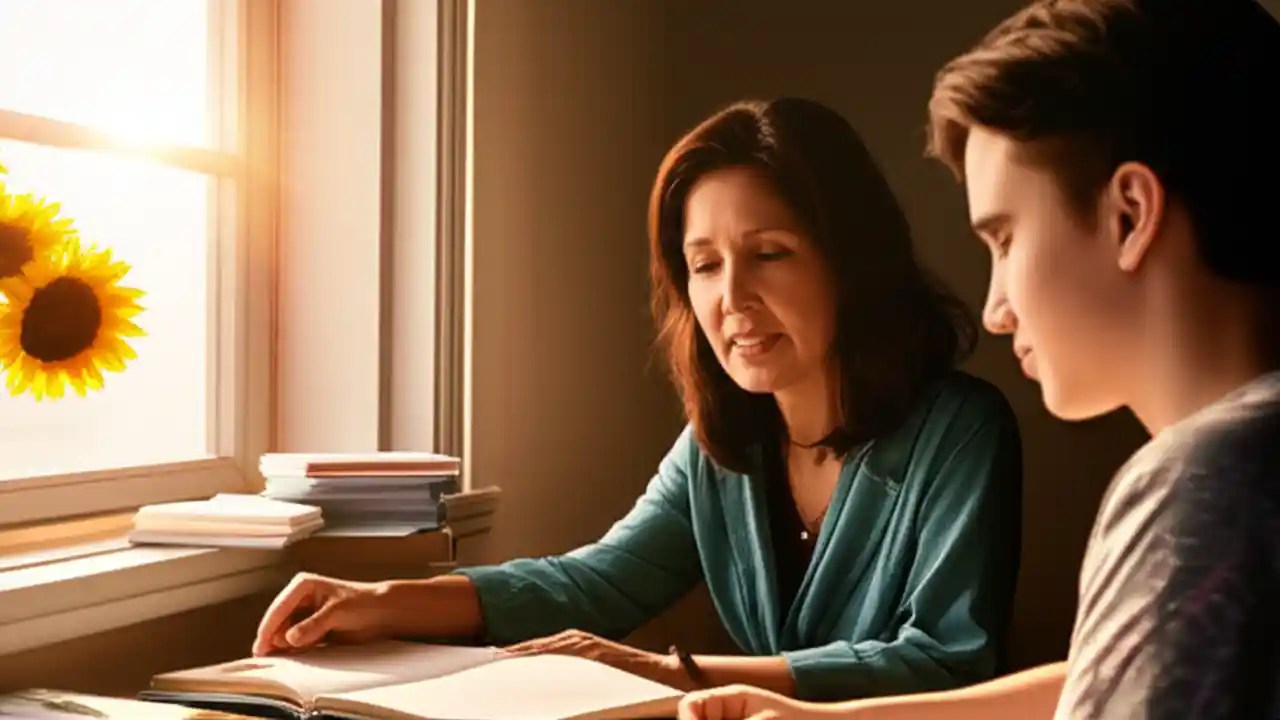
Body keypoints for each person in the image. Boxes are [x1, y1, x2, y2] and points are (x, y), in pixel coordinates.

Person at [252, 97, 1023, 702]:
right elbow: (592, 583)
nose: (733, 298)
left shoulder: (960, 431)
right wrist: (379, 600)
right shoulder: (722, 442)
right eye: (705, 265)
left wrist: (671, 673)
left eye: (769, 255)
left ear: (851, 260)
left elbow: (943, 662)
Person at [677, 1, 1280, 718]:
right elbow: (1110, 670)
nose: (996, 309)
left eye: (1004, 239)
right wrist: (824, 717)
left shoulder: (1203, 485)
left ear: (1129, 214)